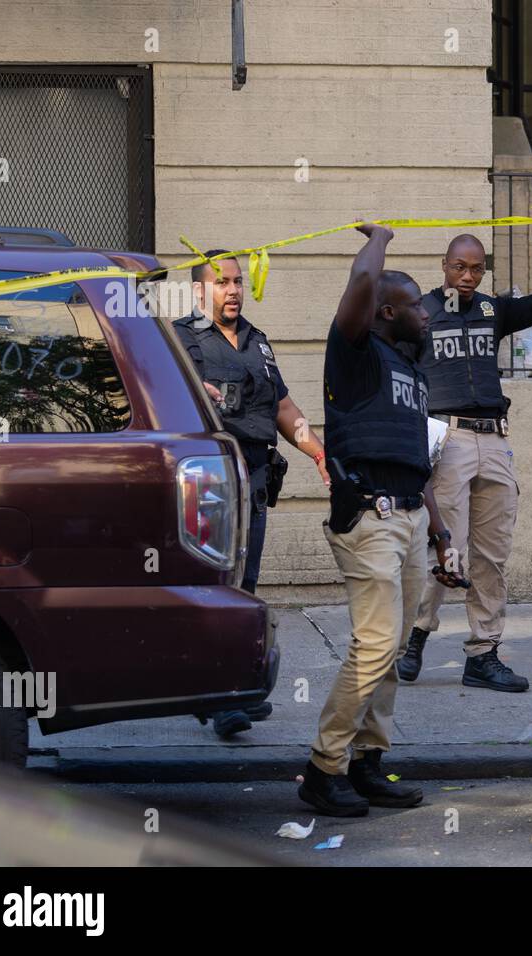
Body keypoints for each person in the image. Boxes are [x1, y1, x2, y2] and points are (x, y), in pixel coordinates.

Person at [298, 220, 465, 817]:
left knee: (392, 648)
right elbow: (363, 280)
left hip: (412, 520)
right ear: (387, 312)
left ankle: (368, 761)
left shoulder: (411, 374)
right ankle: (323, 768)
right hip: (370, 518)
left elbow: (416, 463)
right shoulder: (354, 355)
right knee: (373, 646)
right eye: (416, 305)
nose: (427, 314)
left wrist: (443, 535)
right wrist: (380, 238)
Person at [396, 204, 532, 691]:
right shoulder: (422, 312)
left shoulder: (494, 310)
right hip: (446, 437)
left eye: (476, 268)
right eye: (460, 267)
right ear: (444, 267)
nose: (468, 276)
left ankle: (483, 652)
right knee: (442, 547)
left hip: (494, 437)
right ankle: (415, 640)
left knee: (491, 554)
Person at [173, 252, 329, 739]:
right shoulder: (179, 339)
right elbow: (163, 394)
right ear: (200, 291)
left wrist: (319, 453)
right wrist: (196, 390)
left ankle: (231, 689)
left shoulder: (258, 343)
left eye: (238, 281)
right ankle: (220, 699)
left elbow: (281, 405)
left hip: (254, 480)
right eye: (222, 282)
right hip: (208, 482)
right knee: (216, 587)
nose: (233, 290)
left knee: (245, 585)